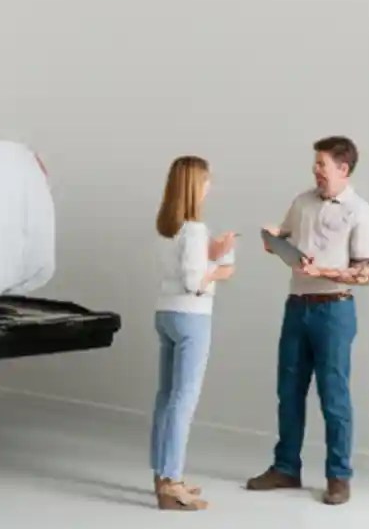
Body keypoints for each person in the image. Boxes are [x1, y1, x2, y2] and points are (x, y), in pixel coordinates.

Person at [246, 136, 369, 506]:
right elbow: (288, 238)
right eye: (315, 164)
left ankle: (339, 477)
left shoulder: (362, 214)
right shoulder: (302, 202)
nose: (315, 171)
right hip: (297, 306)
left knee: (334, 396)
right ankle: (285, 467)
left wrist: (322, 269)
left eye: (322, 165)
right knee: (288, 390)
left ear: (343, 168)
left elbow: (366, 274)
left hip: (334, 310)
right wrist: (274, 240)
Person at [150, 155, 237, 511]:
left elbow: (180, 272)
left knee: (166, 397)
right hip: (191, 317)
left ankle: (164, 475)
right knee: (183, 401)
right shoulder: (195, 229)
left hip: (166, 313)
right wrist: (220, 264)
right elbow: (193, 283)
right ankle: (171, 484)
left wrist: (210, 255)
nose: (209, 185)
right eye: (206, 180)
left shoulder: (167, 228)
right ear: (195, 186)